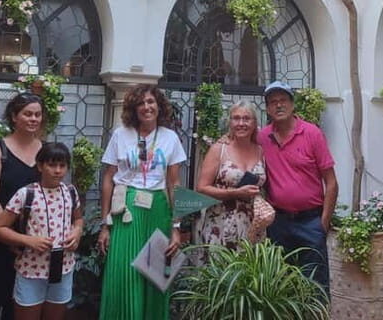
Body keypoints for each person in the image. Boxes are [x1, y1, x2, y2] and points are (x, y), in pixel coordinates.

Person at [97, 85, 187, 320]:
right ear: (133, 109)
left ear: (159, 106)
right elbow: (108, 178)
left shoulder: (171, 138)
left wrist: (176, 227)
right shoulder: (121, 134)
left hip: (158, 208)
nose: (147, 107)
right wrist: (105, 224)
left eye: (151, 102)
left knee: (155, 276)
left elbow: (174, 184)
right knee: (124, 273)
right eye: (141, 103)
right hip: (126, 207)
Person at [257, 81, 338, 296]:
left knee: (315, 287)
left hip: (310, 222)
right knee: (281, 287)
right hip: (278, 223)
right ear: (267, 109)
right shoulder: (262, 138)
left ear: (293, 105)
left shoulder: (312, 134)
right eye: (273, 102)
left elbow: (331, 182)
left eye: (283, 100)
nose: (279, 106)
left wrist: (324, 223)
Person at [0, 142, 83, 320]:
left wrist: (77, 231)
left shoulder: (70, 192)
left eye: (62, 166)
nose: (57, 171)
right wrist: (28, 240)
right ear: (40, 166)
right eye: (52, 165)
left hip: (63, 269)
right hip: (31, 270)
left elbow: (78, 219)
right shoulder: (26, 194)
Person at [0, 93, 44, 320]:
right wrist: (9, 234)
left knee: (19, 306)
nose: (33, 119)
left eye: (37, 114)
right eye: (27, 114)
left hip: (30, 245)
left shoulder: (45, 152)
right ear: (14, 117)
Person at [196, 101, 266, 248]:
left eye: (247, 119)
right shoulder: (219, 150)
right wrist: (235, 193)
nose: (241, 123)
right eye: (236, 118)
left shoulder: (261, 151)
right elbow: (202, 188)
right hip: (221, 224)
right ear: (230, 122)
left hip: (252, 227)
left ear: (254, 123)